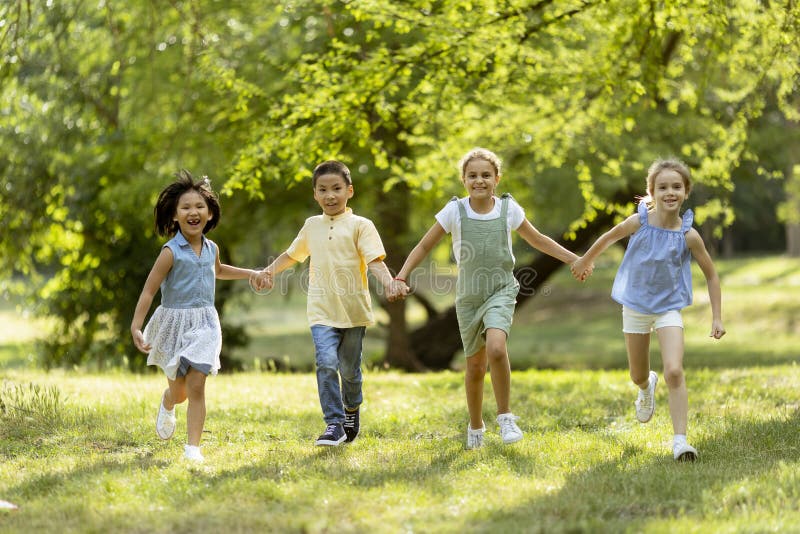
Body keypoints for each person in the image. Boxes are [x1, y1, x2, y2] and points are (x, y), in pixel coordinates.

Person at [393, 148, 582, 450]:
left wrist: (575, 259)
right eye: (472, 176)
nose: (479, 180)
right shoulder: (454, 211)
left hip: (501, 290)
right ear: (464, 180)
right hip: (469, 298)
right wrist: (401, 276)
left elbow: (538, 240)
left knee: (496, 347)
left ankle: (506, 416)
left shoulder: (508, 209)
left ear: (496, 179)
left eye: (485, 175)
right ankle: (476, 425)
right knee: (475, 368)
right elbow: (424, 245)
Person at [571, 158, 725, 461]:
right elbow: (607, 238)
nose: (670, 192)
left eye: (676, 186)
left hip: (668, 308)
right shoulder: (638, 221)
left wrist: (717, 316)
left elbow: (711, 274)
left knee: (675, 370)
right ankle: (645, 386)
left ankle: (680, 441)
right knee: (637, 374)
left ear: (686, 191)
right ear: (652, 192)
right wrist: (585, 260)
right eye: (663, 187)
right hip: (636, 306)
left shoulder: (688, 235)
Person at [253, 160, 404, 447]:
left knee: (349, 370)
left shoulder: (361, 226)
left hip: (353, 311)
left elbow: (374, 261)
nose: (330, 195)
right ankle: (333, 423)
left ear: (350, 191)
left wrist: (389, 283)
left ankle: (351, 409)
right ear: (315, 194)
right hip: (321, 310)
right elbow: (292, 255)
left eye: (336, 189)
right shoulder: (312, 226)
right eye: (323, 190)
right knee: (326, 362)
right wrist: (268, 271)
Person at [131, 170, 259, 462]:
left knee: (197, 383)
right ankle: (168, 401)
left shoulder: (212, 247)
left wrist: (251, 274)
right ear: (175, 216)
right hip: (174, 324)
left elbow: (219, 270)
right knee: (180, 392)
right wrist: (136, 326)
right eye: (186, 207)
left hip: (205, 325)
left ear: (210, 213)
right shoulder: (169, 252)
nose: (193, 212)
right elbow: (149, 291)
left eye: (200, 207)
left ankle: (193, 448)